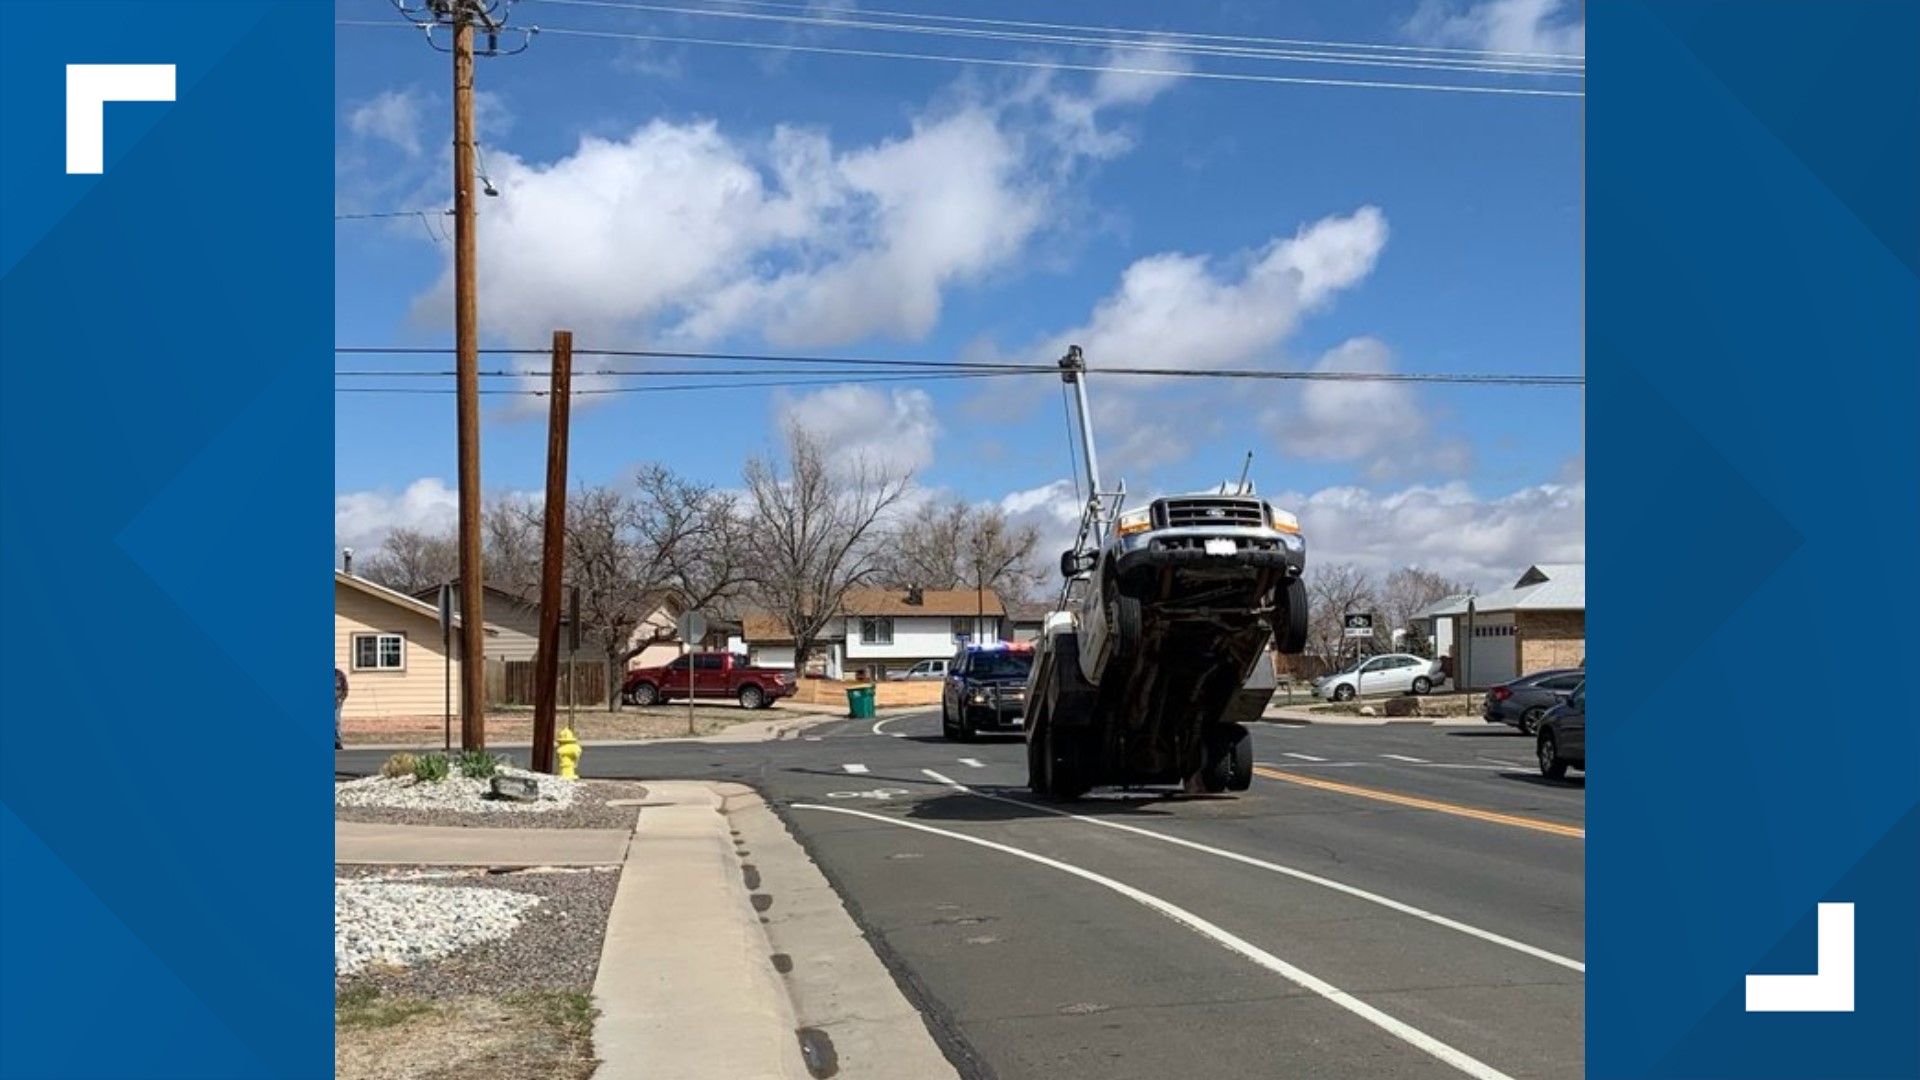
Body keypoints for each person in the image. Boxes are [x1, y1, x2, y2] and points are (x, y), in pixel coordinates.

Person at [335, 667, 348, 750]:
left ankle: (337, 741)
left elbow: (345, 688)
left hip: (337, 700)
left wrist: (341, 698)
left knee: (336, 720)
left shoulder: (340, 675)